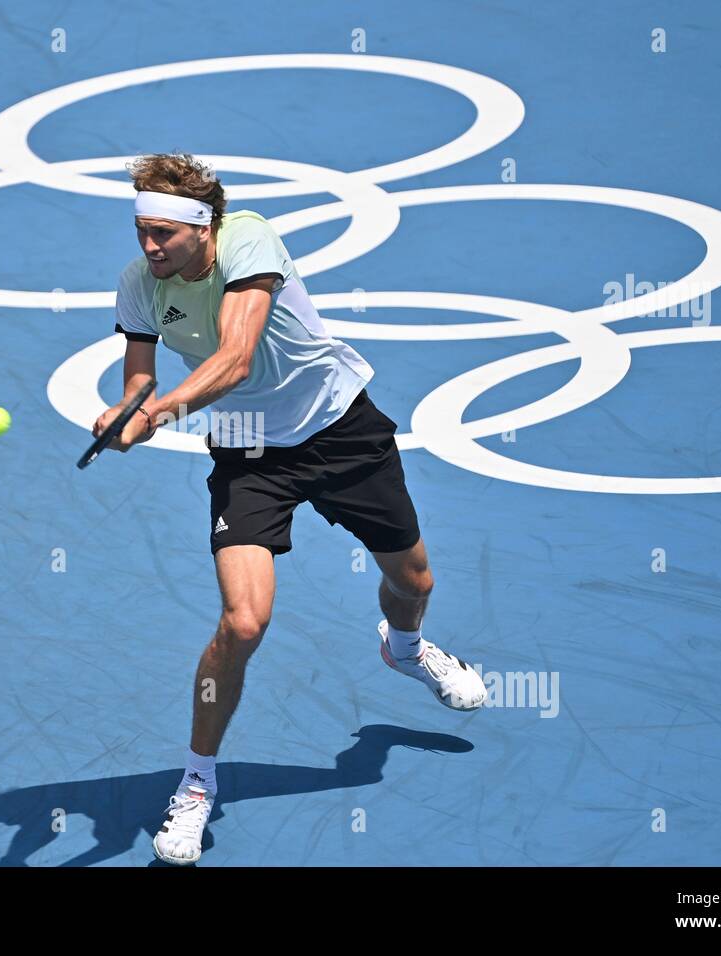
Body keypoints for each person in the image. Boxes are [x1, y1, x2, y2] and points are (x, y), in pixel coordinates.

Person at [91, 153, 486, 865]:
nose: (150, 247)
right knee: (243, 623)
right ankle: (196, 782)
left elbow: (238, 357)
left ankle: (404, 649)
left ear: (202, 230)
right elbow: (139, 380)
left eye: (163, 236)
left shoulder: (248, 238)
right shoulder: (138, 285)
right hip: (248, 454)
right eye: (142, 232)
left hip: (340, 429)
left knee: (416, 582)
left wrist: (163, 413)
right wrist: (122, 413)